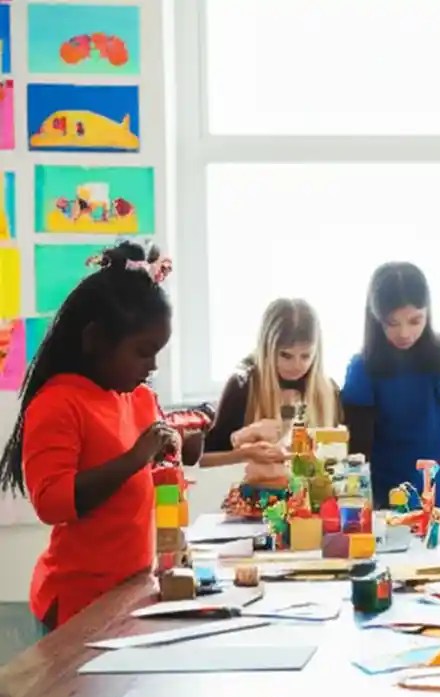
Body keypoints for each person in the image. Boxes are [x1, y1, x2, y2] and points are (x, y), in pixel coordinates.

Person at [0, 241, 202, 630]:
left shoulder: (139, 397)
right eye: (143, 352)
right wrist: (135, 459)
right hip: (79, 603)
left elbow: (158, 473)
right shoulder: (58, 403)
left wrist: (182, 447)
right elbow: (53, 503)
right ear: (95, 340)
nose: (152, 366)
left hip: (131, 588)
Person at [342, 262, 440, 510]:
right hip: (385, 506)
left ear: (428, 312)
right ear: (376, 318)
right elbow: (359, 452)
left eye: (416, 320)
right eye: (393, 323)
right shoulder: (362, 368)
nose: (405, 333)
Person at [203, 298, 341, 468]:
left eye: (306, 356)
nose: (296, 366)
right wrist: (243, 452)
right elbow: (203, 461)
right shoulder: (242, 386)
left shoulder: (328, 391)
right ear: (267, 348)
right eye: (286, 355)